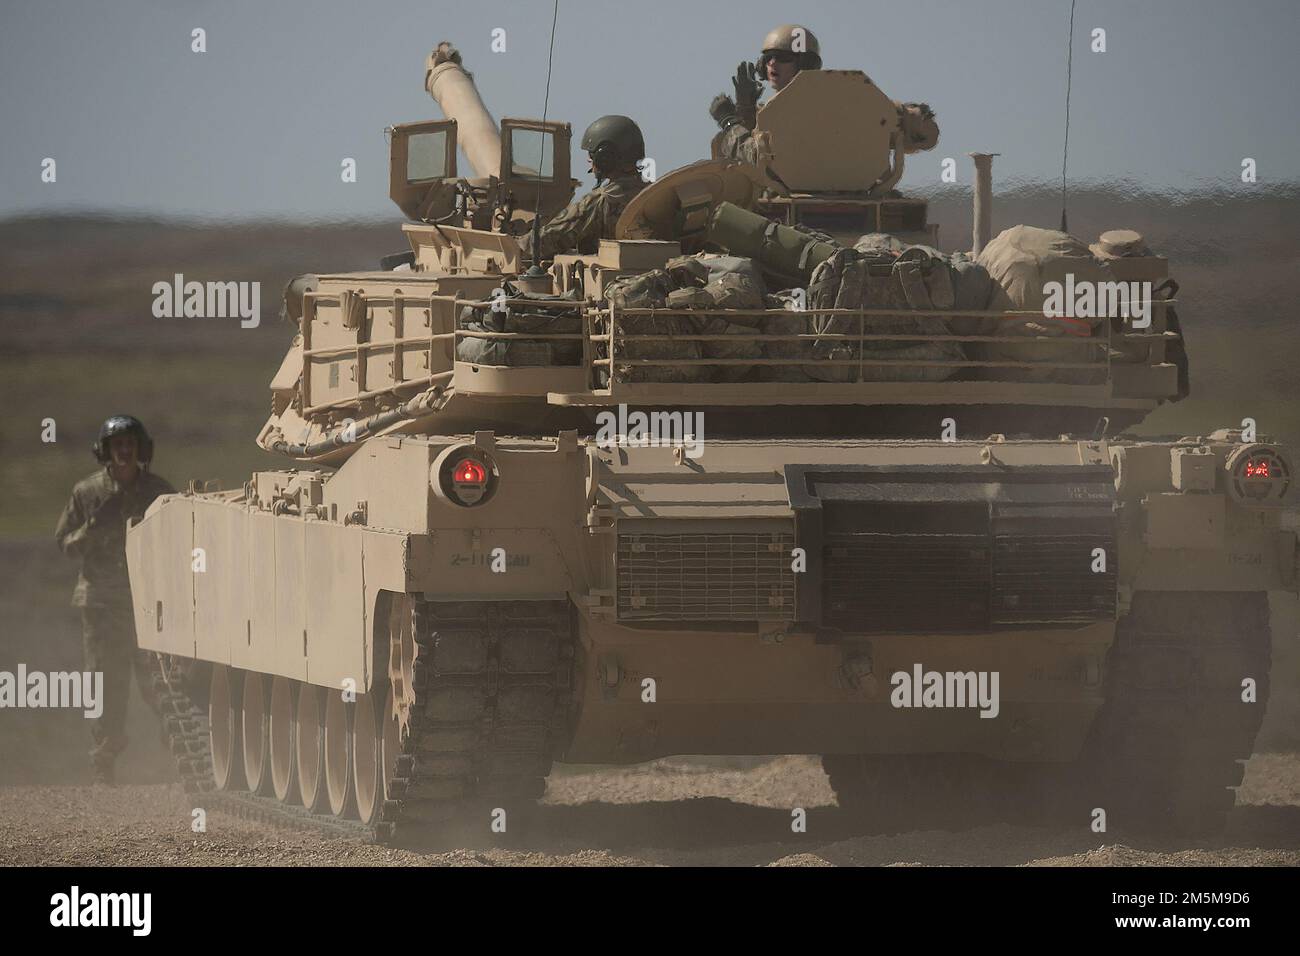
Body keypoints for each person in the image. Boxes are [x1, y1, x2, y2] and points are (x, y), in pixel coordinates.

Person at [54, 415, 175, 784]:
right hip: (102, 604)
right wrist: (93, 528)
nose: (124, 452)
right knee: (105, 683)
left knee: (162, 681)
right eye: (117, 445)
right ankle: (104, 760)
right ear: (105, 452)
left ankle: (181, 757)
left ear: (140, 450)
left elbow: (177, 541)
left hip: (148, 604)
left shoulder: (157, 492)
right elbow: (65, 544)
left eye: (130, 445)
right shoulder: (87, 493)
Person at [519, 115, 648, 262]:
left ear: (605, 158)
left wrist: (510, 247)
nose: (589, 161)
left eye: (591, 155)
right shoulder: (655, 194)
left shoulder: (600, 201)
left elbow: (545, 241)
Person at [709, 24, 822, 163]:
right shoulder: (778, 108)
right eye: (768, 57)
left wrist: (728, 122)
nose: (772, 63)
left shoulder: (804, 108)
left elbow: (760, 157)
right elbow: (755, 142)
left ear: (805, 64)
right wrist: (746, 108)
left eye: (783, 57)